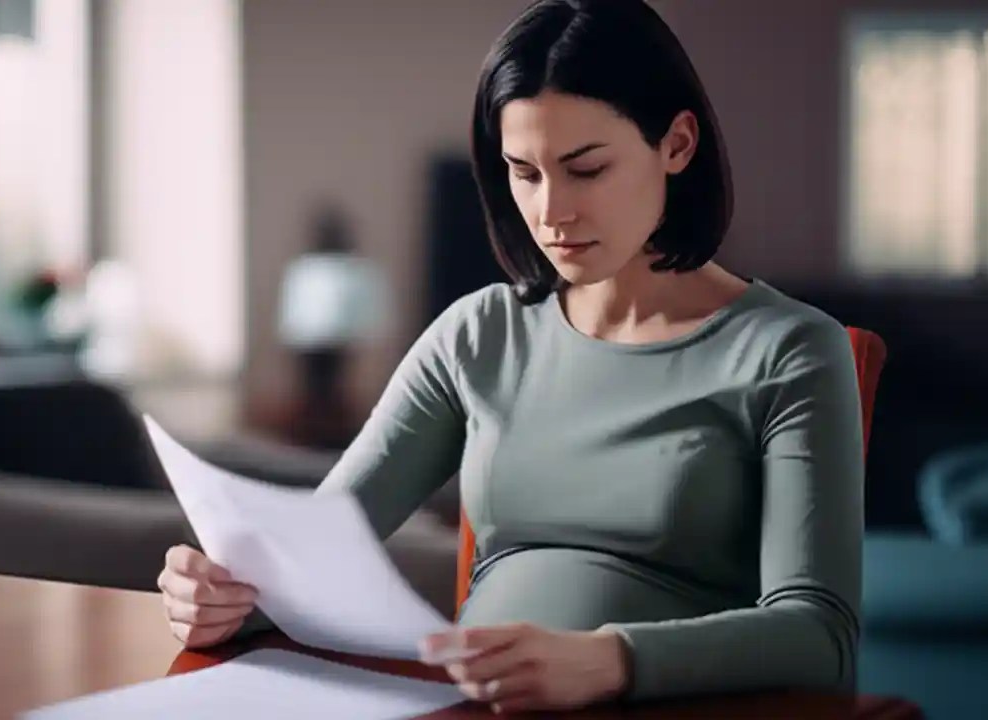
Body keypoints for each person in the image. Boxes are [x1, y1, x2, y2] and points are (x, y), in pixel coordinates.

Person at [156, 0, 864, 713]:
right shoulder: (478, 335)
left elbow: (820, 635)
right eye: (524, 172)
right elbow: (315, 556)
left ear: (677, 145)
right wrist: (223, 600)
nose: (551, 212)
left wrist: (609, 661)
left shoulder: (790, 351)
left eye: (587, 169)